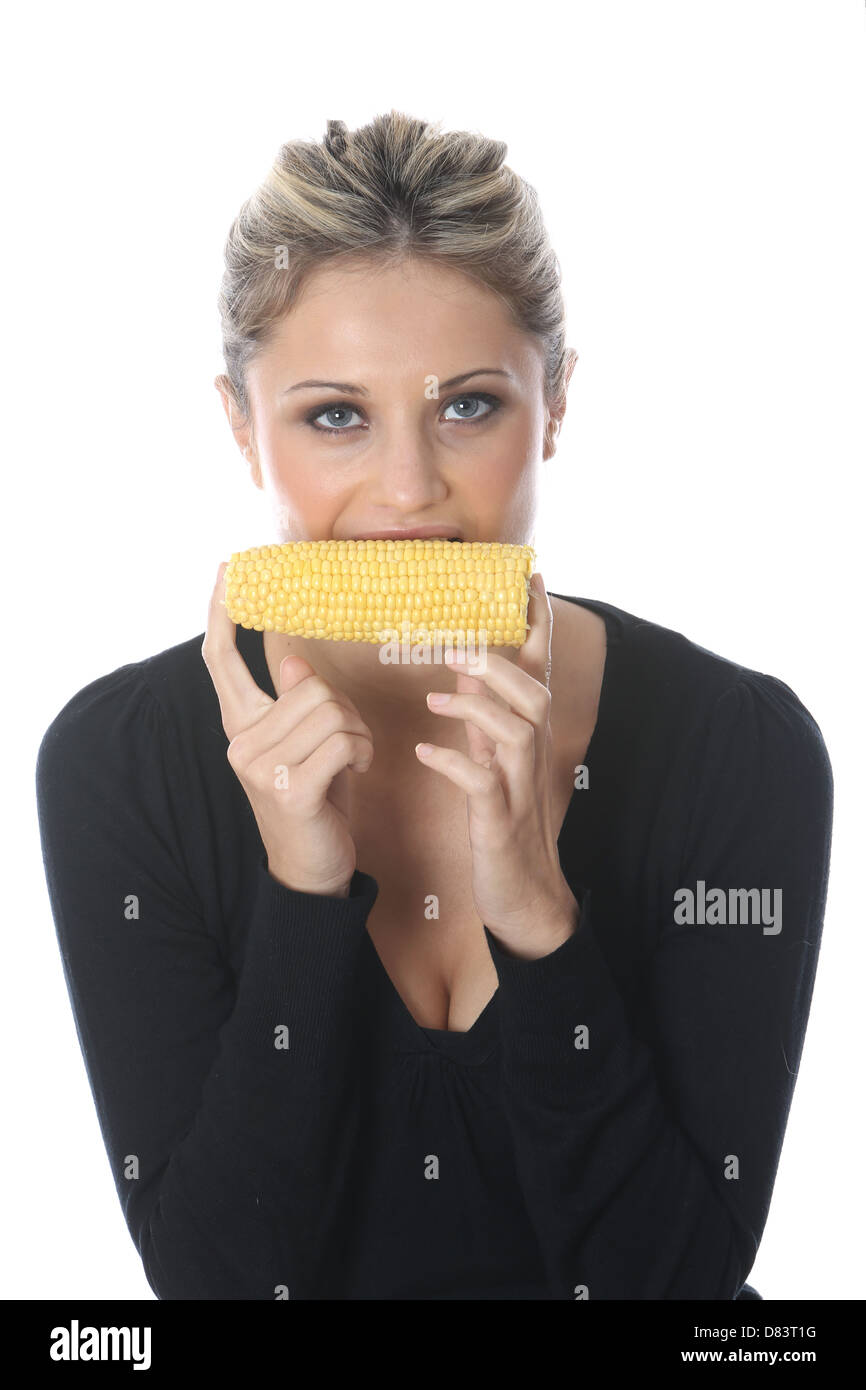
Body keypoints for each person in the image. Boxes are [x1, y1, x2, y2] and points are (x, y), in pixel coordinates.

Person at [35, 111, 833, 1300]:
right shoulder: (115, 763)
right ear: (241, 425)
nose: (408, 491)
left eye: (468, 405)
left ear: (553, 401)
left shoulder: (737, 749)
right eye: (335, 416)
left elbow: (677, 1292)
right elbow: (216, 1286)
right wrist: (301, 895)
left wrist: (538, 915)